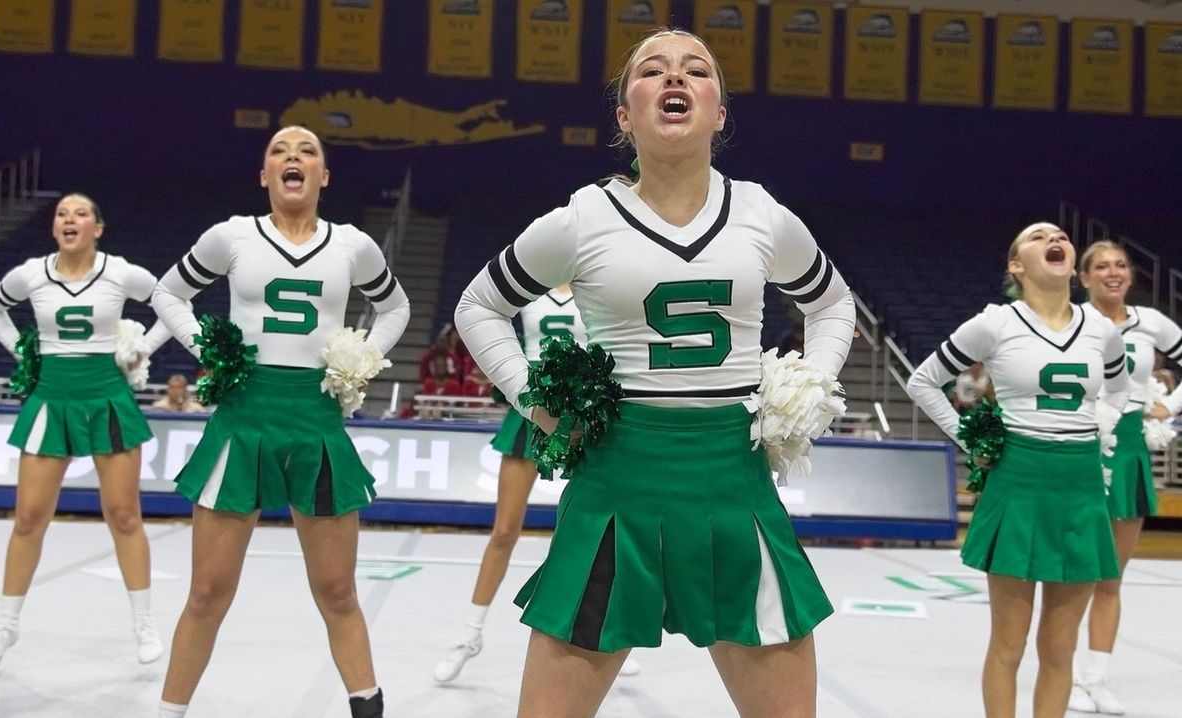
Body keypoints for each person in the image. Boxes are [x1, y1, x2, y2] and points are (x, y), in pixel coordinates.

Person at [455, 29, 855, 717]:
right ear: (624, 113)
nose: (676, 78)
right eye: (652, 70)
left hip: (737, 486)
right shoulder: (582, 219)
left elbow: (833, 304)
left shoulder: (760, 212)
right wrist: (535, 402)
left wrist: (809, 389)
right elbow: (479, 305)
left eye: (697, 70)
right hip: (616, 486)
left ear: (719, 111)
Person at [150, 126, 410, 718]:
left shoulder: (353, 246)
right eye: (279, 152)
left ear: (324, 176)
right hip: (242, 420)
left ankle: (367, 708)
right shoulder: (232, 236)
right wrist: (210, 349)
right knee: (208, 594)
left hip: (315, 426)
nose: (293, 157)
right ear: (265, 175)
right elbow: (169, 295)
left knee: (338, 591)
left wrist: (364, 358)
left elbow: (396, 306)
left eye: (308, 151)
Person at [907, 222, 1130, 718]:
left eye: (1062, 236)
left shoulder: (1101, 330)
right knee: (1008, 643)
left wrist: (1103, 427)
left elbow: (1118, 391)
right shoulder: (993, 324)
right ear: (1016, 265)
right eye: (1037, 236)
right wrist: (969, 436)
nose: (1055, 238)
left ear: (1072, 261)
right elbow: (923, 381)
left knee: (1059, 647)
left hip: (1081, 483)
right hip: (1019, 478)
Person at [0, 193, 172, 669]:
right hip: (51, 398)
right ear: (54, 227)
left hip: (107, 396)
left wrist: (141, 346)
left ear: (97, 228)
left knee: (125, 516)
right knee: (29, 518)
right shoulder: (31, 273)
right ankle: (6, 625)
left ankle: (144, 623)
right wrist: (26, 353)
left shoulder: (121, 272)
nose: (69, 219)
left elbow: (172, 304)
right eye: (62, 213)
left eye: (80, 213)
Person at [436, 285, 643, 682]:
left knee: (605, 531)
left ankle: (610, 631)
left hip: (589, 412)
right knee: (504, 531)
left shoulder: (597, 284)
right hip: (533, 410)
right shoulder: (529, 282)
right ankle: (470, 634)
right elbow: (485, 321)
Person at [1070, 240, 1182, 714]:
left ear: (1129, 275)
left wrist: (1168, 406)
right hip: (1079, 447)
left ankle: (1096, 679)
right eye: (1101, 267)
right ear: (1084, 277)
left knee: (1110, 576)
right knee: (1073, 573)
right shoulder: (1072, 321)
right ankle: (1065, 674)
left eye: (1121, 266)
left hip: (1130, 445)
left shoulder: (1151, 322)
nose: (1113, 273)